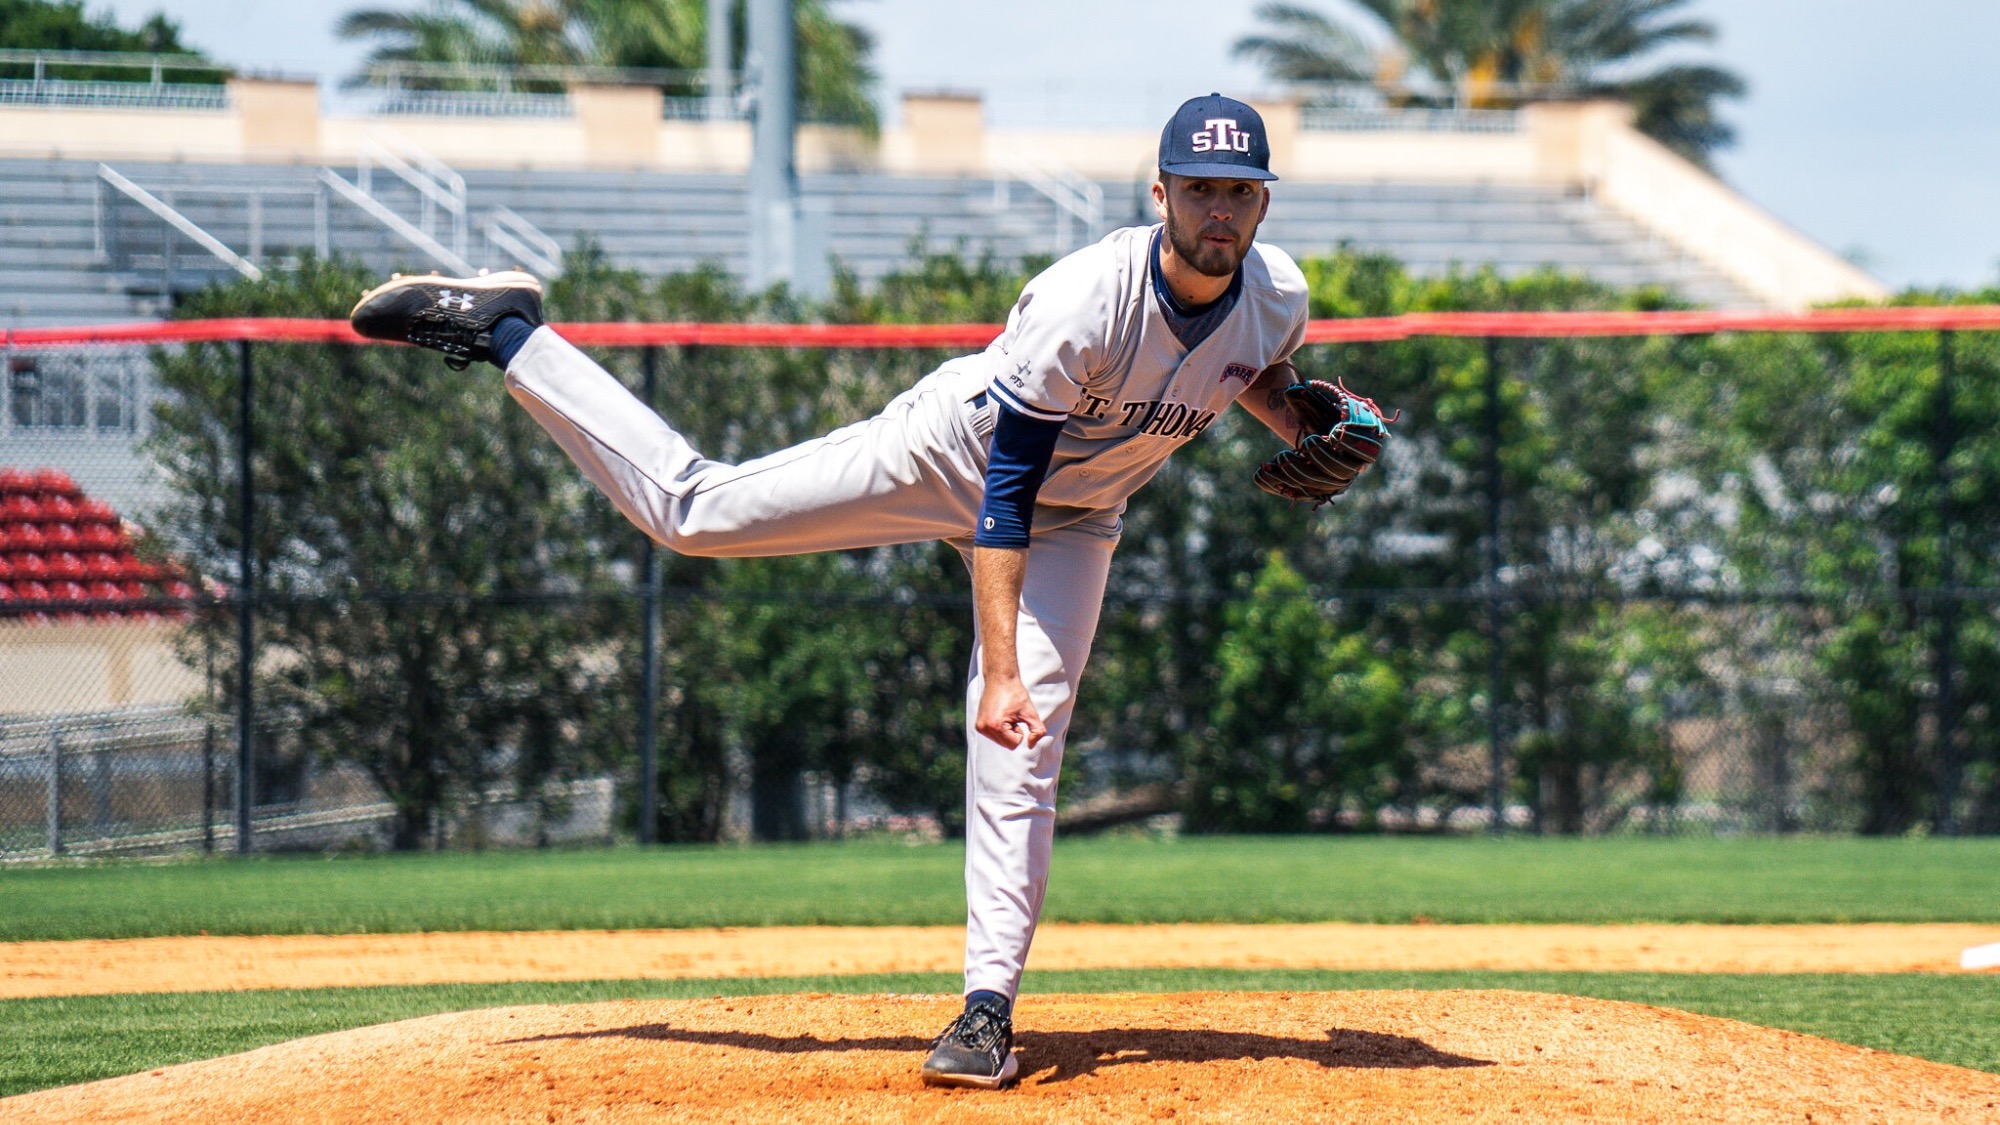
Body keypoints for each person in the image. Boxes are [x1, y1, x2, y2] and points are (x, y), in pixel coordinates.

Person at [350, 93, 1375, 1090]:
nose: (1216, 211)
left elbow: (1247, 369)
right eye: (1197, 188)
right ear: (1157, 194)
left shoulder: (1276, 294)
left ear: (1261, 205)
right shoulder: (1083, 301)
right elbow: (1001, 491)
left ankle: (985, 1011)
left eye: (1236, 192)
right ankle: (508, 335)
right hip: (952, 456)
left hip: (1079, 520)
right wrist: (1001, 671)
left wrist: (1298, 421)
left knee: (1024, 753)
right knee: (693, 516)